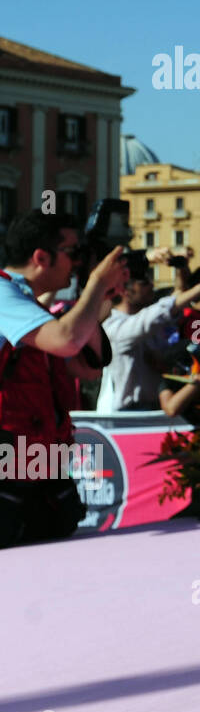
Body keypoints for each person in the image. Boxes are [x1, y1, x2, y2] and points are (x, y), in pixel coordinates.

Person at [0, 210, 126, 547]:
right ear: (41, 257)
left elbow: (88, 367)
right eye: (72, 252)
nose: (78, 262)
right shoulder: (2, 294)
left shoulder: (27, 303)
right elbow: (67, 340)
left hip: (33, 465)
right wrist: (97, 282)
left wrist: (96, 294)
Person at [100, 259, 200, 411]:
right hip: (126, 415)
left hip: (155, 408)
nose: (152, 285)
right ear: (124, 290)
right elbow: (159, 314)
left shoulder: (152, 322)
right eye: (144, 283)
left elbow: (173, 300)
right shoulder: (114, 327)